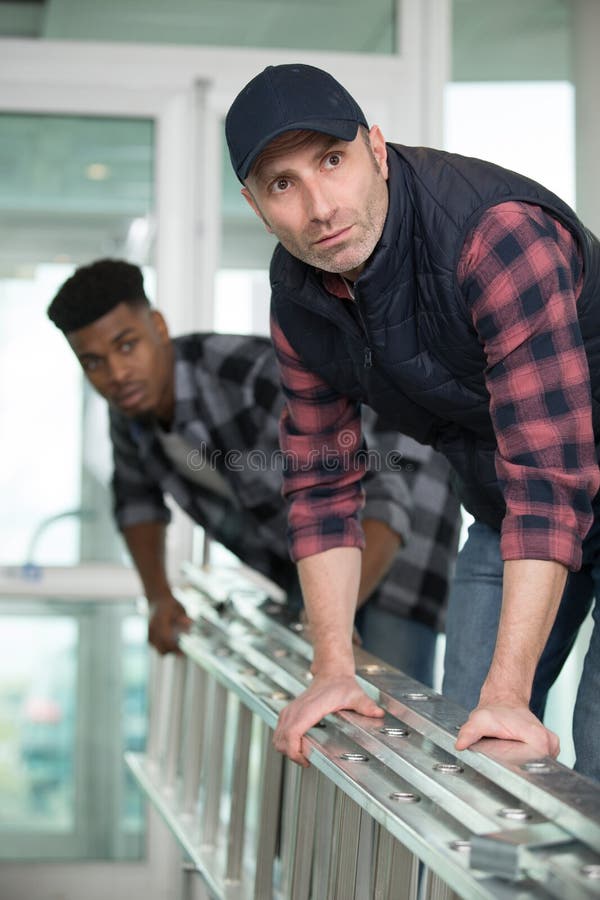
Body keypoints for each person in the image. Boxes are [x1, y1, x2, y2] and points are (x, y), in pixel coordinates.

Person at [224, 63, 600, 781]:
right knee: (463, 762)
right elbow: (322, 486)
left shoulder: (494, 237)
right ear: (254, 204)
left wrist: (510, 696)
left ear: (376, 149)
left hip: (542, 485)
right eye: (283, 184)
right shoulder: (299, 299)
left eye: (331, 161)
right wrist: (333, 666)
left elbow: (548, 471)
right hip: (504, 508)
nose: (320, 206)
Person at [46, 258, 461, 685]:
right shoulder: (129, 411)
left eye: (127, 345)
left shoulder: (248, 373)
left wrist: (329, 627)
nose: (116, 374)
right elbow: (138, 506)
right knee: (319, 691)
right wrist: (158, 598)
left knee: (388, 706)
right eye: (94, 362)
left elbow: (385, 496)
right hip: (321, 544)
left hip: (402, 503)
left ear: (158, 326)